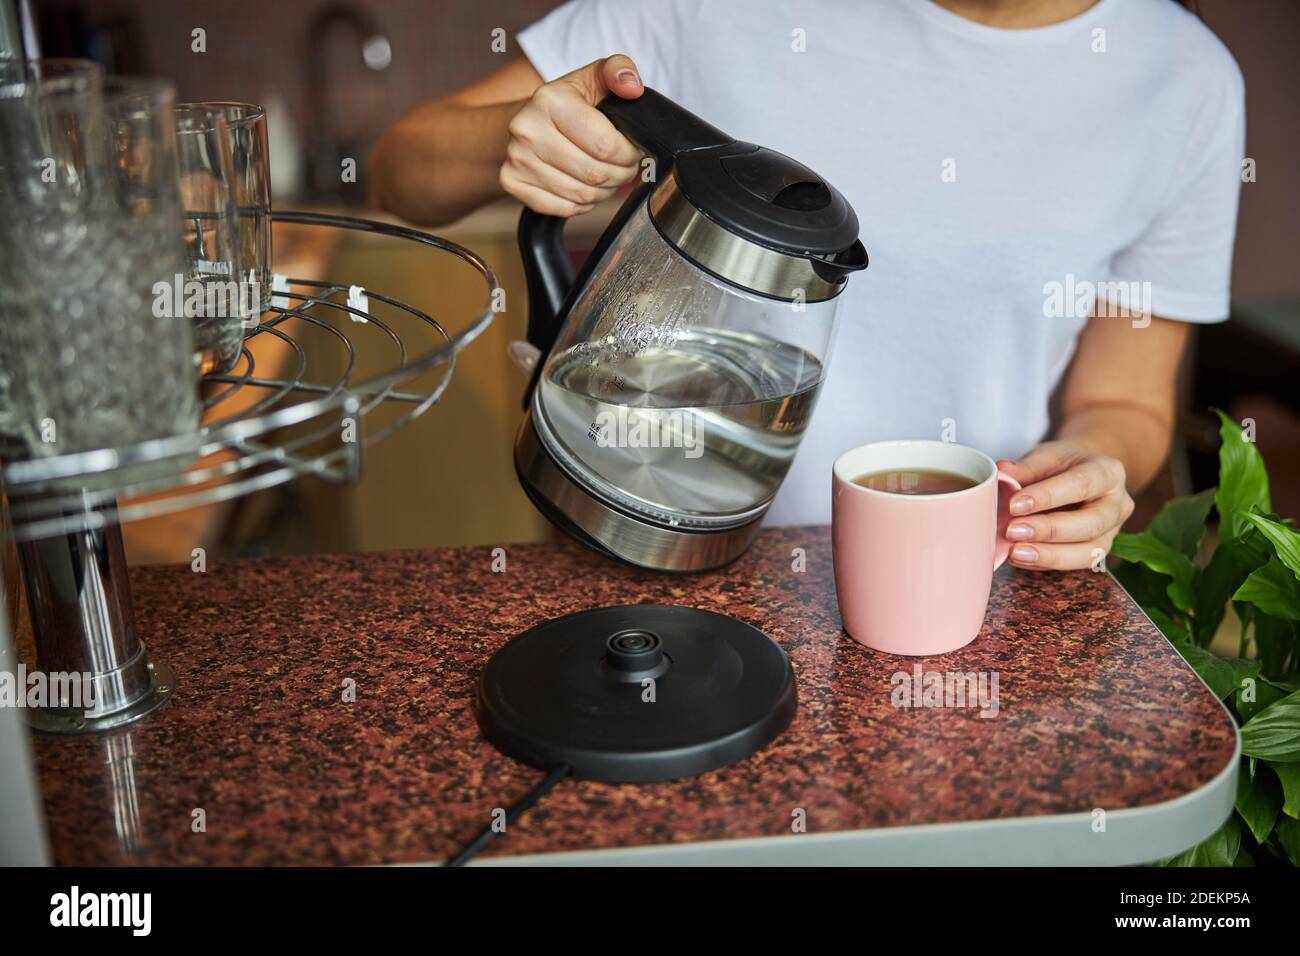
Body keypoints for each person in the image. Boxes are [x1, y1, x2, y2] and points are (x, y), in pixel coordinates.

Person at [369, 0, 1245, 571]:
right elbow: (400, 173)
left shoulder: (1186, 82)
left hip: (966, 583)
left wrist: (1094, 469)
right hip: (629, 537)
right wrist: (521, 138)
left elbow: (1125, 399)